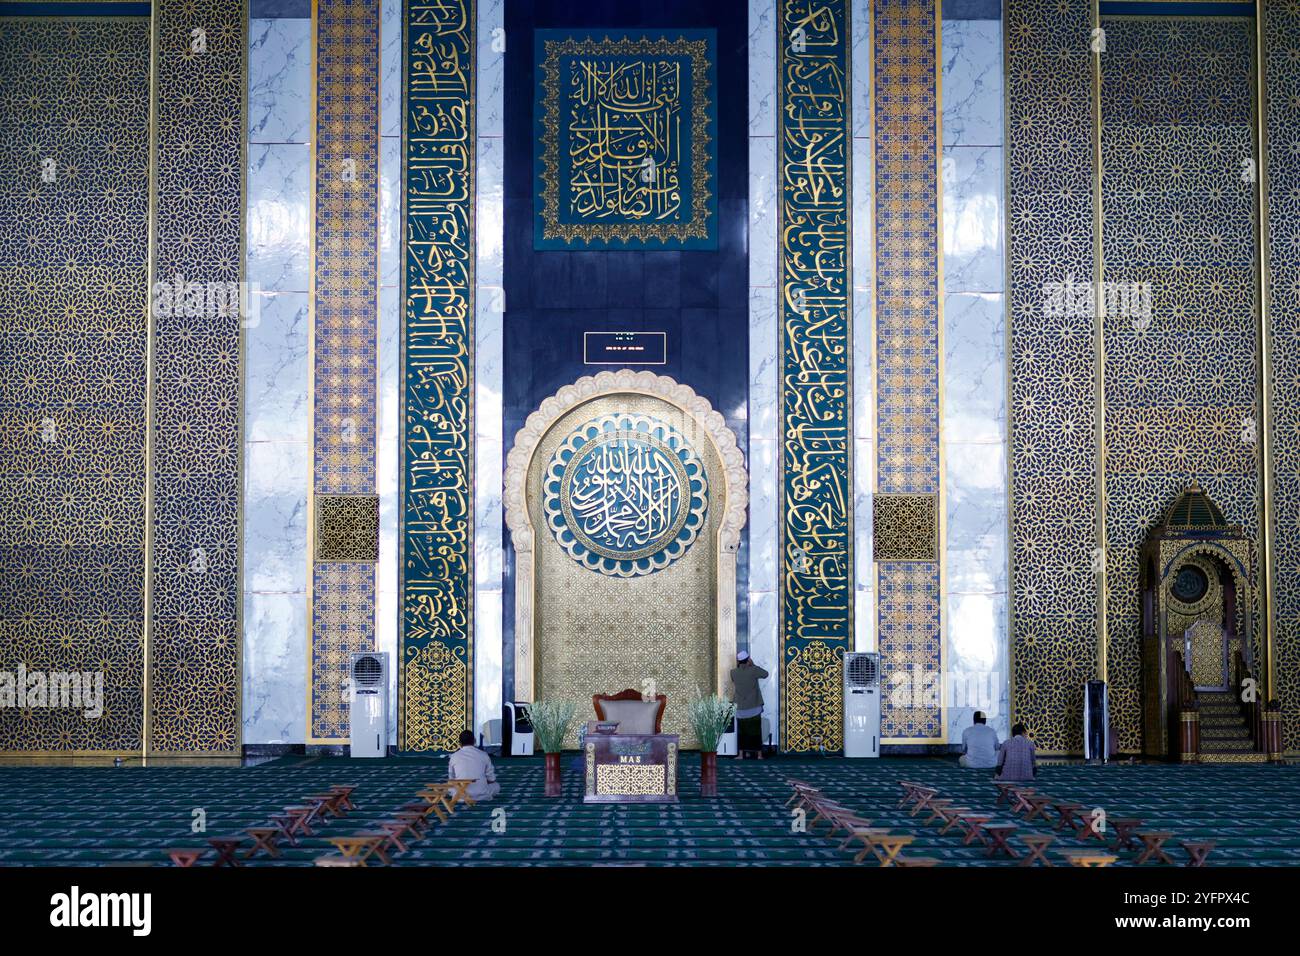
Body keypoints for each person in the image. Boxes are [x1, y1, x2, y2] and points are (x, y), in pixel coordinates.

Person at [729, 651, 769, 759]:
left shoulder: (733, 672)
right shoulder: (754, 670)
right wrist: (753, 665)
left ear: (738, 661)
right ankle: (759, 755)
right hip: (754, 706)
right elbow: (766, 674)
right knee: (756, 731)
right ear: (748, 660)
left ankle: (741, 754)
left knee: (742, 732)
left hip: (740, 707)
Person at [447, 729, 500, 800]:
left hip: (460, 795)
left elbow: (451, 779)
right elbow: (491, 779)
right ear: (474, 741)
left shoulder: (454, 756)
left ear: (459, 743)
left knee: (449, 787)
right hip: (481, 794)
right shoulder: (483, 755)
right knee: (496, 786)